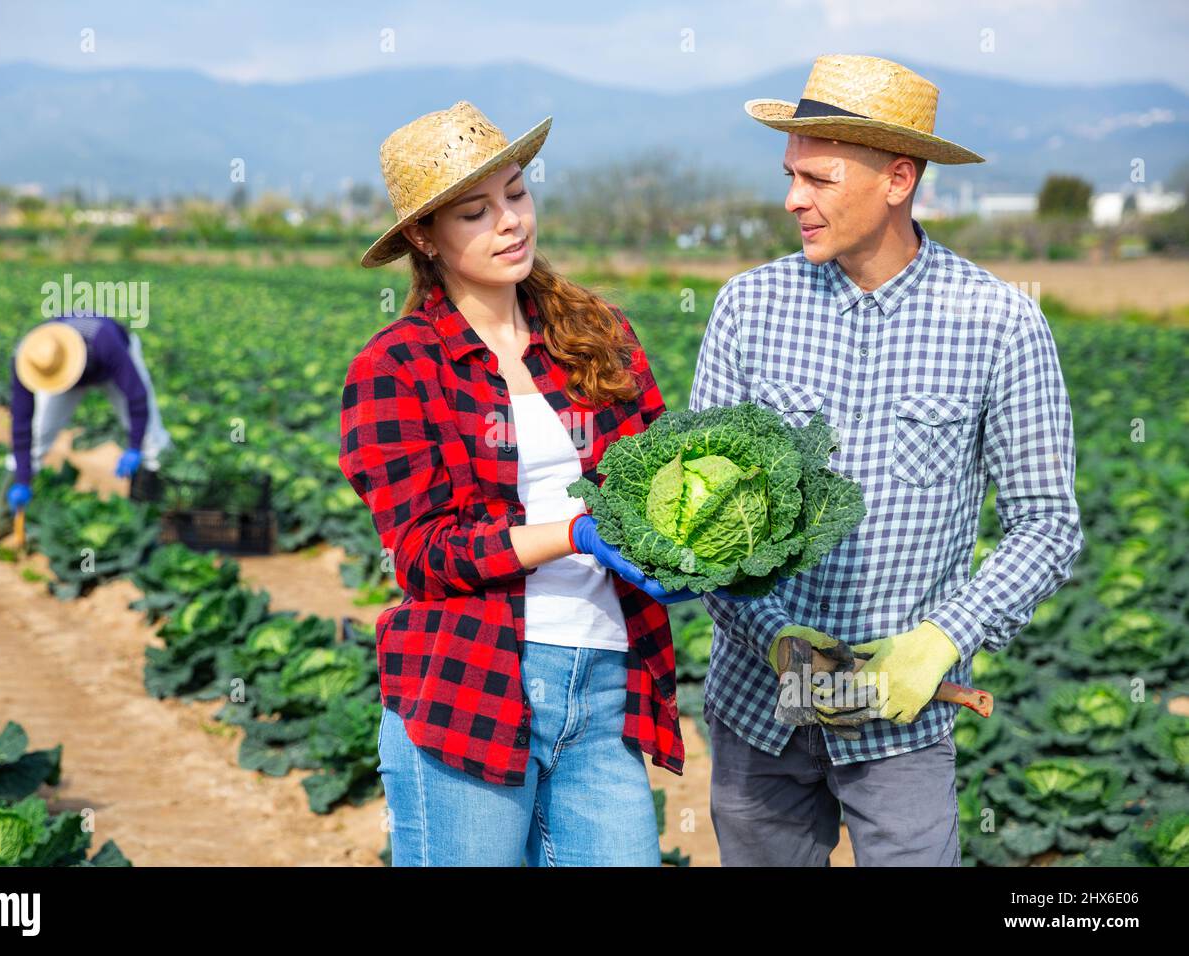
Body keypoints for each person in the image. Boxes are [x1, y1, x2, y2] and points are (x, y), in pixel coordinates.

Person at [693, 54, 1085, 865]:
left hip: (901, 725)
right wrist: (774, 638)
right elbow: (699, 519)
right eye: (791, 175)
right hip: (756, 711)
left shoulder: (999, 323)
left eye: (820, 179)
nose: (794, 198)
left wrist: (943, 638)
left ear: (898, 179)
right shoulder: (747, 307)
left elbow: (1046, 526)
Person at [339, 101, 718, 866]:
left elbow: (661, 476)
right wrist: (573, 534)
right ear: (424, 237)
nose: (510, 221)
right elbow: (424, 555)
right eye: (476, 212)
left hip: (608, 680)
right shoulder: (396, 368)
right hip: (470, 685)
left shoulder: (598, 334)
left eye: (517, 193)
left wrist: (696, 551)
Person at [0, 313, 171, 541]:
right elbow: (21, 421)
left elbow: (137, 396)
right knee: (39, 436)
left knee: (153, 440)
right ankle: (3, 519)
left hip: (105, 361)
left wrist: (135, 446)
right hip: (64, 369)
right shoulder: (29, 357)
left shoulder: (107, 343)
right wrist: (22, 479)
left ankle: (147, 524)